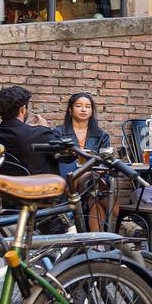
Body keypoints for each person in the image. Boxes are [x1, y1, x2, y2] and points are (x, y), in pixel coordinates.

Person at [56, 92, 112, 230]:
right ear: (70, 109)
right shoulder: (59, 132)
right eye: (79, 106)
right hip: (68, 177)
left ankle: (96, 245)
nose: (83, 109)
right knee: (95, 188)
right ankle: (124, 221)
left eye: (87, 106)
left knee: (95, 189)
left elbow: (106, 160)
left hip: (94, 177)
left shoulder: (101, 135)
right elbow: (56, 157)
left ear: (92, 111)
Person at [0, 85, 60, 177]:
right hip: (35, 189)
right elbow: (65, 157)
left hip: (1, 188)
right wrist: (45, 128)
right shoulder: (40, 133)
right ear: (23, 109)